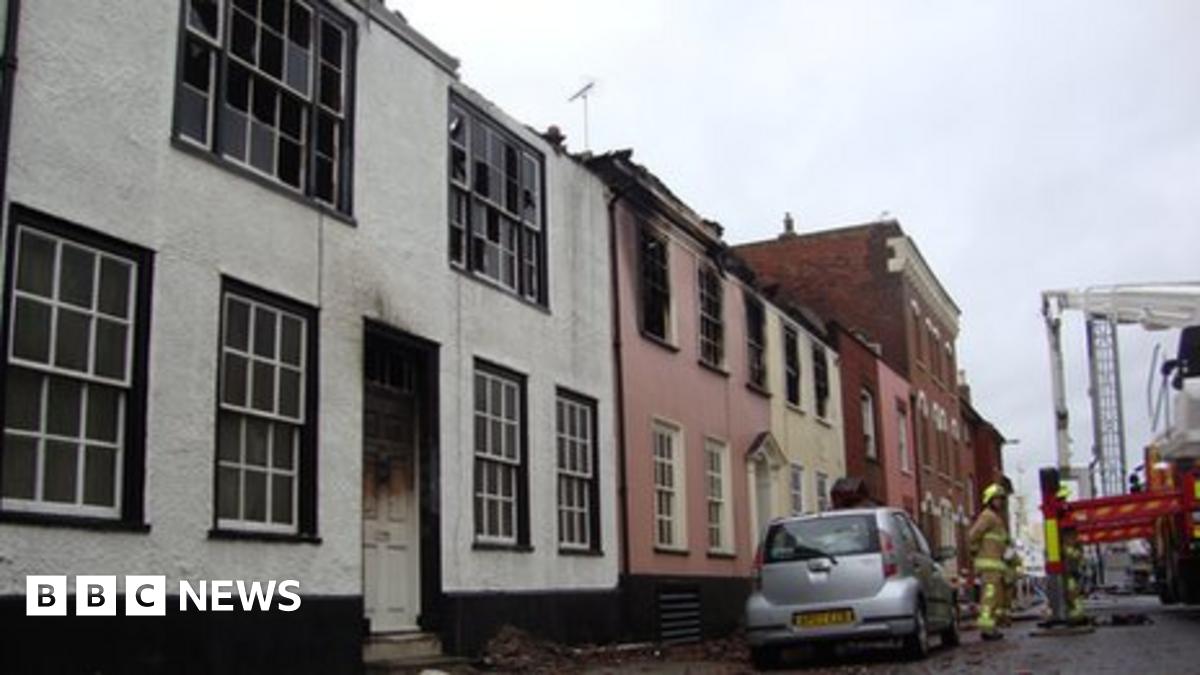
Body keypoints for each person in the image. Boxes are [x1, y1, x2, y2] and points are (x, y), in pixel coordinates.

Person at [968, 483, 1010, 640]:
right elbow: (973, 535)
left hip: (996, 567)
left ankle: (992, 626)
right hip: (989, 567)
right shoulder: (987, 517)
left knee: (995, 598)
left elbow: (1004, 544)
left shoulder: (996, 519)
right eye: (996, 499)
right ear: (989, 500)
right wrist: (974, 551)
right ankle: (987, 628)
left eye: (1001, 499)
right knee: (989, 597)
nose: (999, 502)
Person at [1058, 485, 1089, 626]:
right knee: (1072, 591)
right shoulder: (1067, 524)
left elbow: (1071, 549)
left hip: (1069, 565)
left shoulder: (1064, 525)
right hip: (1070, 565)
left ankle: (1075, 615)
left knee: (1071, 590)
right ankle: (1075, 614)